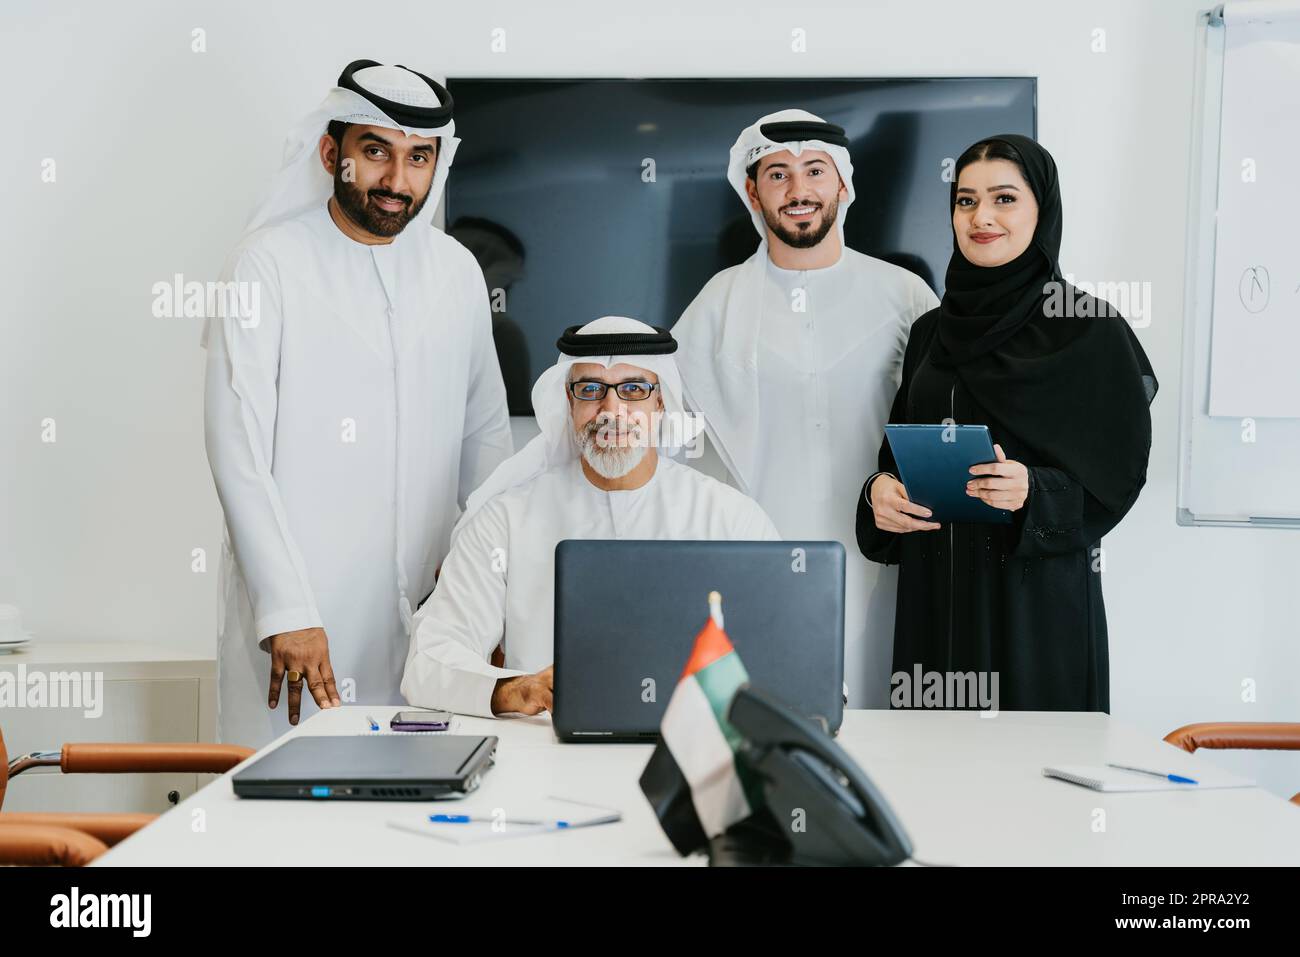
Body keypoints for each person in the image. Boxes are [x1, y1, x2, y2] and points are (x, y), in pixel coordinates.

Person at [204, 60, 513, 744]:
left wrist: (491, 598)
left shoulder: (456, 271)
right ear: (330, 153)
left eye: (418, 157)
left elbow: (486, 443)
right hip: (302, 620)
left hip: (432, 626)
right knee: (283, 823)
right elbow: (238, 451)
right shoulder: (268, 263)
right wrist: (284, 608)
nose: (398, 181)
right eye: (376, 151)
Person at [857, 134, 1157, 712]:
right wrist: (880, 493)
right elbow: (897, 454)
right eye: (965, 201)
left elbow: (1119, 476)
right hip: (936, 593)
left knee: (1035, 784)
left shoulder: (1089, 329)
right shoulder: (931, 332)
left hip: (1034, 601)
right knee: (934, 783)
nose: (981, 217)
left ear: (1042, 210)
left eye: (1004, 199)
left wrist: (1034, 489)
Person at [673, 109, 939, 705]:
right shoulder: (717, 303)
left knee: (890, 728)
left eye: (814, 170)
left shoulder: (904, 295)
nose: (799, 191)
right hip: (757, 559)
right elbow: (667, 438)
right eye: (777, 175)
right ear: (752, 191)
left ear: (842, 184)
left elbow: (944, 419)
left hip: (885, 556)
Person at [401, 316, 780, 718]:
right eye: (591, 389)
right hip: (545, 753)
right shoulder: (506, 521)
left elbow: (787, 645)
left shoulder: (729, 518)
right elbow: (428, 661)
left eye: (633, 389)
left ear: (660, 401)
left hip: (690, 754)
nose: (611, 409)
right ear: (570, 401)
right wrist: (515, 689)